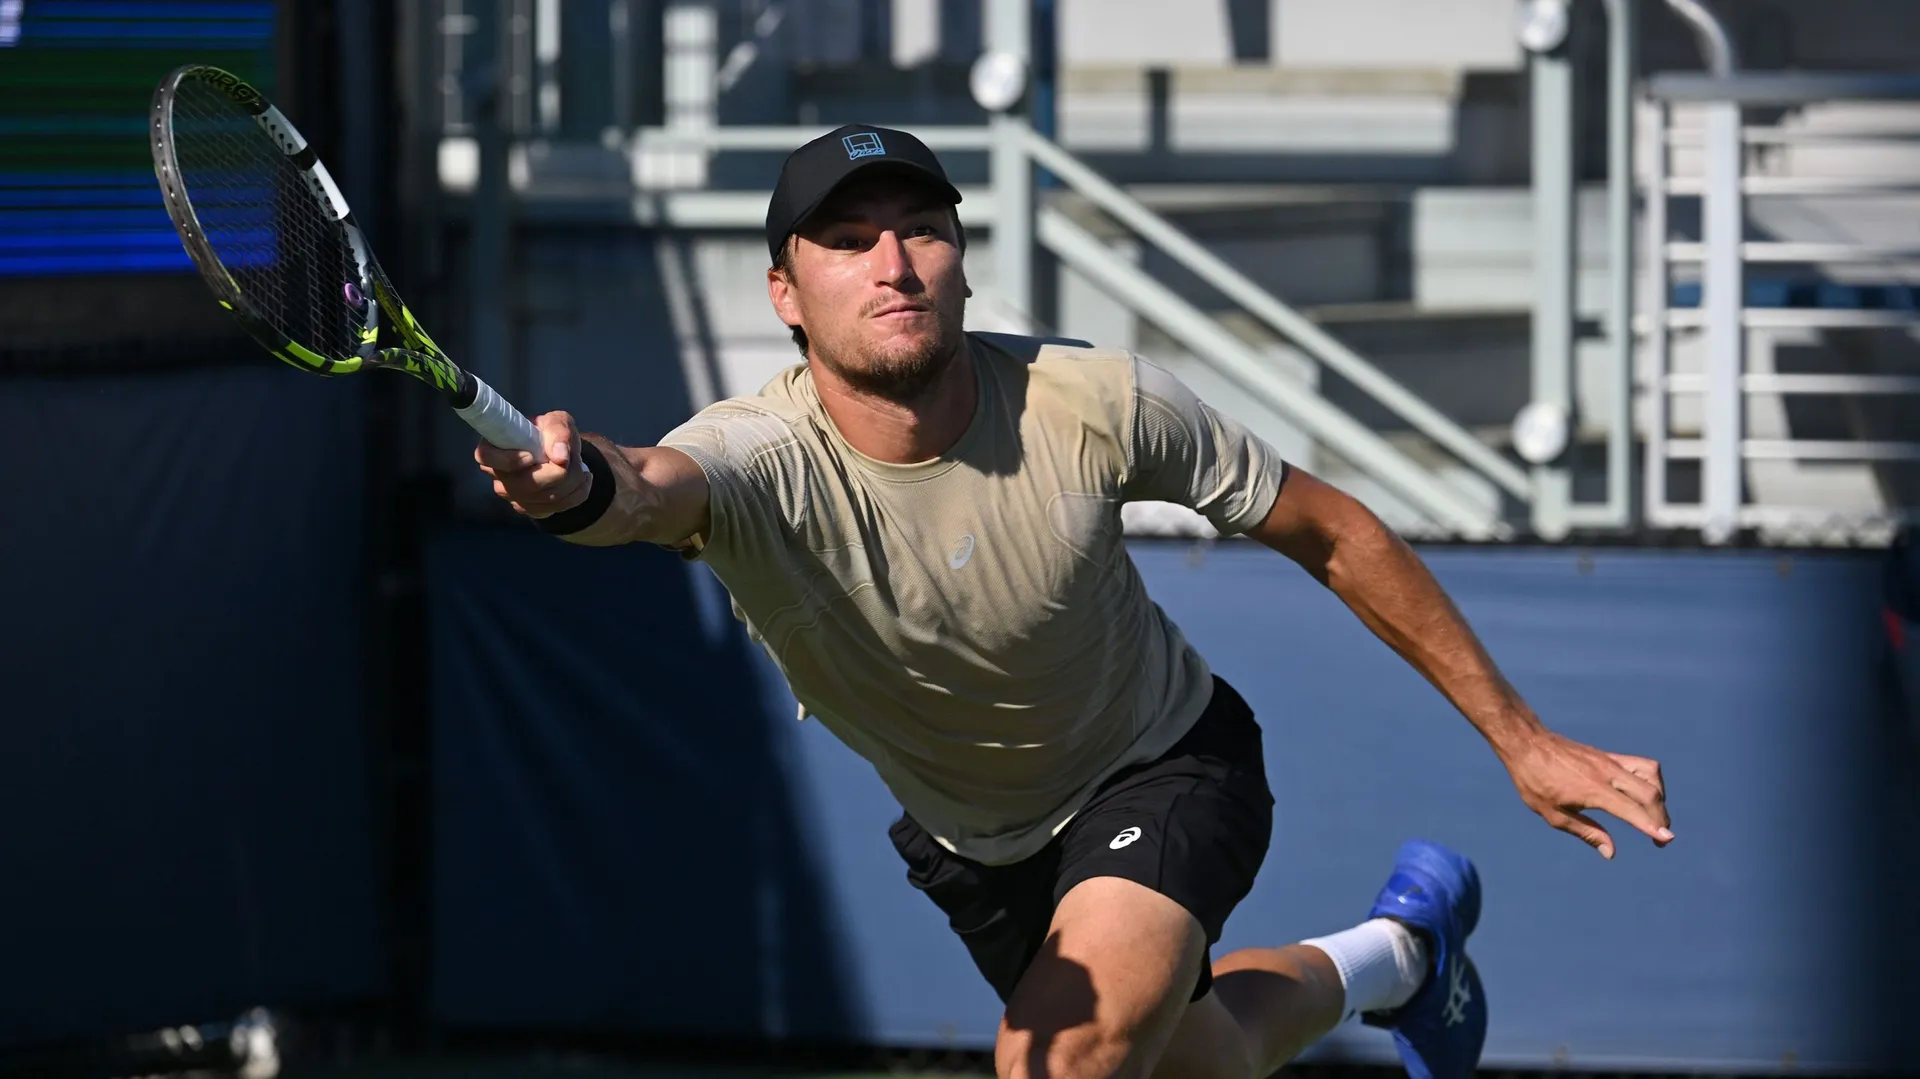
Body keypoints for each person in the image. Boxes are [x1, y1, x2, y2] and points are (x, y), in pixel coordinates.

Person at [474, 124, 1674, 1079]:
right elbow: (647, 486)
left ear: (959, 257)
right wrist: (577, 483)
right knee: (1214, 1055)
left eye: (922, 231)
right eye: (849, 241)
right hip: (973, 840)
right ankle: (1401, 956)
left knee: (1058, 1061)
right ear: (787, 292)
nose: (894, 265)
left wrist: (1523, 737)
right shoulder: (755, 454)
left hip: (1161, 763)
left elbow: (1333, 529)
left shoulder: (1092, 400)